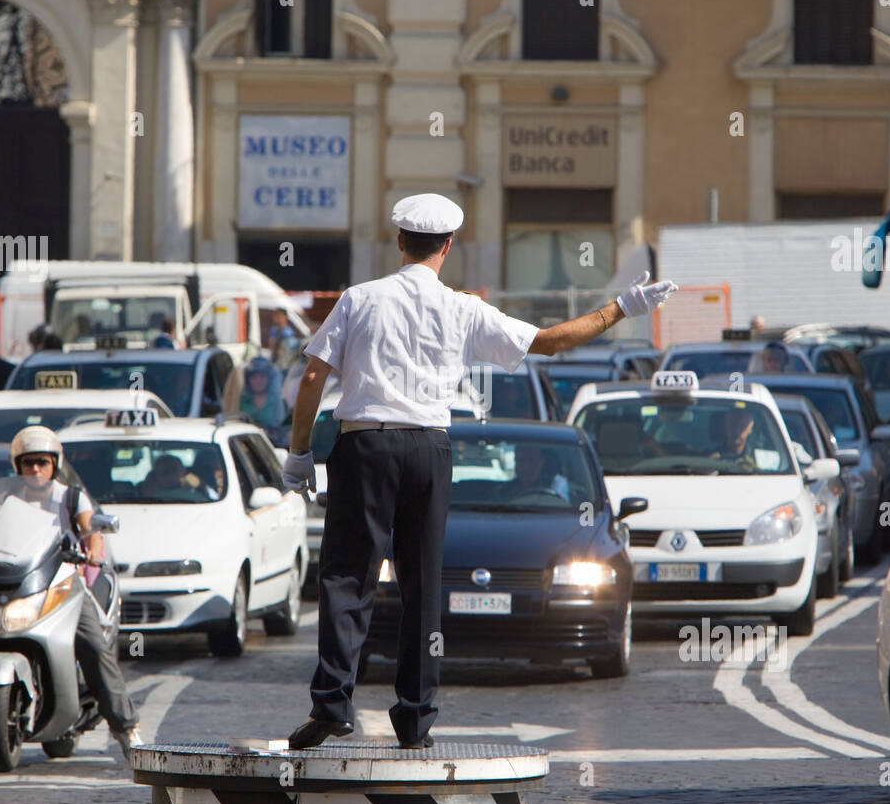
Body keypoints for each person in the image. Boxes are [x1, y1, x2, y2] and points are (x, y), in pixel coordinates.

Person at [279, 191, 677, 750]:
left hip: (364, 444)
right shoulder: (463, 308)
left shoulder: (358, 299)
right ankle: (415, 718)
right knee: (423, 583)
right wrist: (621, 309)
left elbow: (314, 378)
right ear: (448, 246)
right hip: (429, 448)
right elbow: (548, 343)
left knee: (348, 575)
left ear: (399, 242)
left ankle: (333, 704)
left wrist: (299, 454)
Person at [5, 426, 143, 759]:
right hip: (23, 584)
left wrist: (92, 552)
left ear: (54, 464)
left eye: (42, 462)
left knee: (93, 645)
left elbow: (90, 529)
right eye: (28, 463)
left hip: (65, 583)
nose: (35, 470)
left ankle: (126, 728)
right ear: (17, 466)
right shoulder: (5, 499)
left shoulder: (70, 496)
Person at [239, 356, 286, 433]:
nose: (258, 381)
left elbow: (280, 426)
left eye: (262, 376)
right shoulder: (242, 399)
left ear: (269, 379)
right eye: (253, 377)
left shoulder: (276, 400)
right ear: (248, 379)